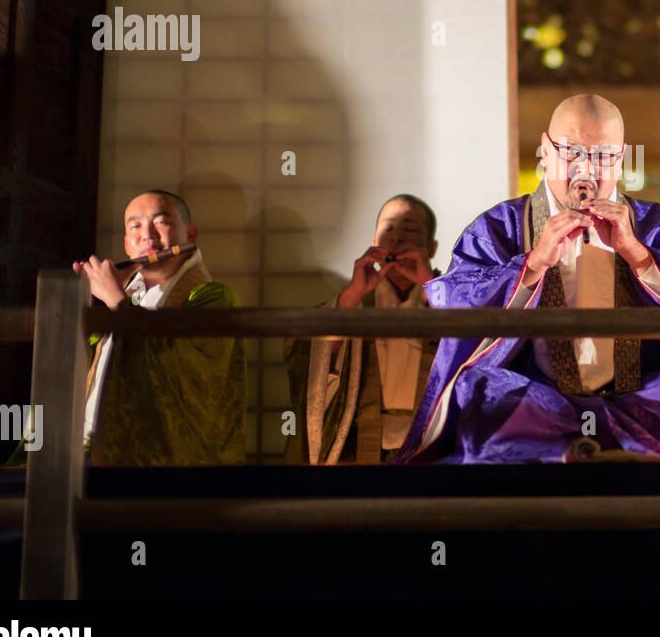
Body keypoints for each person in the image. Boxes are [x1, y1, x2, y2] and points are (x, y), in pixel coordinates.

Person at [396, 93, 660, 463]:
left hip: (648, 397)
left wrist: (639, 255)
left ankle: (628, 454)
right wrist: (532, 263)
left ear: (620, 161)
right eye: (572, 153)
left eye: (602, 156)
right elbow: (454, 303)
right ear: (546, 153)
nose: (586, 169)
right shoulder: (498, 227)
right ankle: (597, 456)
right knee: (480, 393)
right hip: (539, 399)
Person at [74, 190, 245, 465]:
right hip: (87, 454)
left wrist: (117, 302)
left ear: (191, 234)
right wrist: (87, 301)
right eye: (136, 226)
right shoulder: (123, 294)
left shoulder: (214, 298)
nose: (148, 234)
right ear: (127, 244)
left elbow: (176, 373)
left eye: (160, 221)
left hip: (164, 468)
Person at [284, 194, 440, 464]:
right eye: (388, 228)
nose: (397, 238)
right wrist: (351, 296)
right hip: (358, 447)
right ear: (374, 242)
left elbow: (476, 357)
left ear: (431, 247)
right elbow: (304, 356)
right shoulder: (353, 304)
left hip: (430, 445)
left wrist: (433, 288)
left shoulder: (451, 302)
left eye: (410, 229)